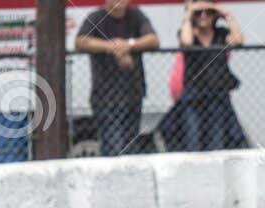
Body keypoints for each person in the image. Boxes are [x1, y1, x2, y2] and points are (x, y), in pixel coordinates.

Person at [76, 0, 159, 157]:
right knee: (113, 147)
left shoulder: (136, 15)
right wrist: (113, 47)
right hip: (104, 98)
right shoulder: (95, 17)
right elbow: (81, 41)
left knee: (131, 147)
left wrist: (129, 44)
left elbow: (153, 40)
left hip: (133, 94)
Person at [174, 2, 246, 151]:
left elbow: (239, 40)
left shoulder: (221, 33)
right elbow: (186, 42)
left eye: (208, 12)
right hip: (193, 97)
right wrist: (188, 15)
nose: (203, 16)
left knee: (216, 142)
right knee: (192, 141)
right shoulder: (188, 32)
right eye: (199, 13)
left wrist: (226, 15)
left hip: (217, 96)